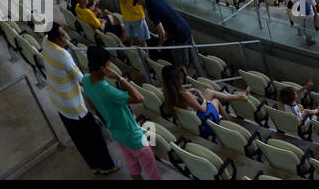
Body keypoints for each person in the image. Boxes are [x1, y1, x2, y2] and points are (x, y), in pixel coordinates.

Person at [43, 23, 118, 174]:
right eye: (63, 36)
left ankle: (93, 166)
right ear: (56, 39)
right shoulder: (63, 56)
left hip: (58, 101)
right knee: (94, 136)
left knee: (79, 139)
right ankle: (107, 166)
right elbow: (82, 79)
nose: (66, 38)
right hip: (73, 106)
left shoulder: (45, 41)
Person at [81, 45, 160, 179]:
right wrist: (120, 78)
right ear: (103, 68)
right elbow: (140, 98)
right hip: (133, 136)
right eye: (108, 64)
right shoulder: (108, 91)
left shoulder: (86, 80)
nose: (110, 65)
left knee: (133, 168)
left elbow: (90, 103)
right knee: (153, 173)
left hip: (117, 133)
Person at [161, 64, 245, 137]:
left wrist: (191, 94)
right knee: (216, 100)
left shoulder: (168, 92)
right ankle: (229, 123)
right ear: (177, 79)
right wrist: (203, 99)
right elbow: (203, 109)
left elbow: (183, 98)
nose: (182, 78)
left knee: (208, 91)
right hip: (204, 122)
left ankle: (239, 97)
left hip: (190, 121)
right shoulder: (184, 94)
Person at [142, 0, 196, 71]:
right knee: (193, 56)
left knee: (180, 64)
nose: (139, 4)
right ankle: (200, 74)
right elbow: (168, 15)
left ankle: (184, 81)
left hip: (179, 36)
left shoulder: (151, 9)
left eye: (138, 2)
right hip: (185, 27)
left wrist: (160, 45)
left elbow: (162, 33)